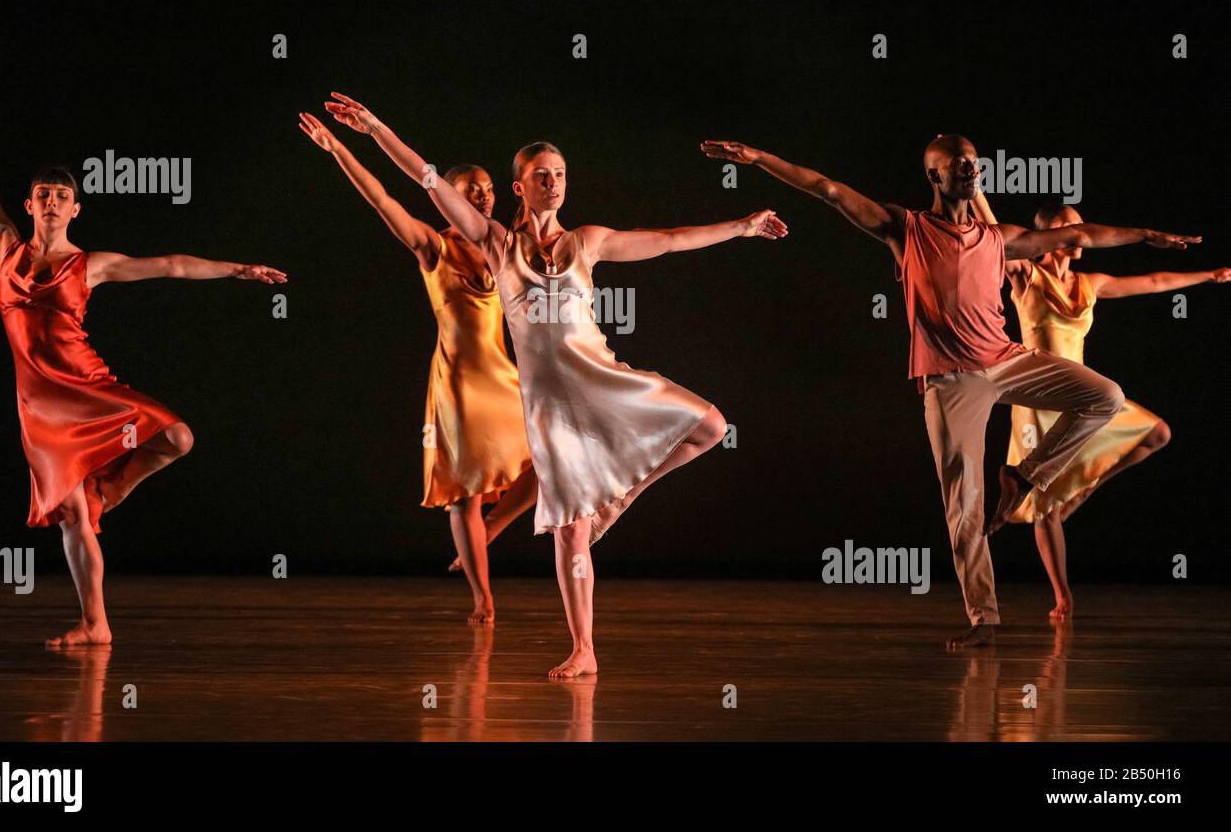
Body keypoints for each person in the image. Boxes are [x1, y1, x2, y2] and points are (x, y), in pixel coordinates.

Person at [325, 92, 787, 677]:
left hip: (602, 381)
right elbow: (426, 179)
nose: (553, 183)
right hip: (550, 409)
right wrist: (372, 128)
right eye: (541, 176)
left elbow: (667, 238)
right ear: (519, 187)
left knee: (711, 425)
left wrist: (742, 227)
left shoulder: (587, 241)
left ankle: (619, 499)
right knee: (570, 536)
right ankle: (585, 650)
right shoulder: (496, 241)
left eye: (560, 175)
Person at [701, 133, 1198, 648]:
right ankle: (984, 619)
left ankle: (1025, 476)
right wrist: (759, 159)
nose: (970, 170)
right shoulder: (906, 228)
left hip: (1005, 361)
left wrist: (1144, 234)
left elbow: (1086, 237)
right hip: (950, 379)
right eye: (959, 165)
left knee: (1106, 397)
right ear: (935, 176)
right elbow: (829, 189)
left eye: (975, 164)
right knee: (965, 504)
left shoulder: (999, 237)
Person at [0, 57, 287, 647]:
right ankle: (95, 625)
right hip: (41, 410)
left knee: (177, 438)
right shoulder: (3, 247)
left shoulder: (90, 265)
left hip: (88, 387)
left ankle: (111, 490)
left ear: (75, 208)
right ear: (29, 205)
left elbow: (172, 264)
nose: (51, 201)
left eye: (61, 196)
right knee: (74, 519)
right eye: (42, 194)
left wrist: (239, 270)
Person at [298, 111, 537, 624]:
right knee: (464, 494)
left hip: (504, 376)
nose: (483, 197)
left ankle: (491, 531)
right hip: (458, 382)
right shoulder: (435, 245)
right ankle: (483, 599)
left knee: (553, 462)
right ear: (448, 195)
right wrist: (340, 150)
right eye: (471, 191)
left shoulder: (501, 245)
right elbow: (383, 199)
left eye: (488, 189)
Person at [973, 192, 1229, 620]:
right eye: (1072, 227)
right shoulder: (1024, 276)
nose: (1082, 235)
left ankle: (1076, 495)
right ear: (1047, 235)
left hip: (1086, 399)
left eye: (1082, 226)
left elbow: (1152, 282)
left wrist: (1207, 276)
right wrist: (977, 188)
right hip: (1039, 403)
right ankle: (1063, 598)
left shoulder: (1089, 284)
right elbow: (992, 232)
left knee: (1156, 433)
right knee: (1044, 506)